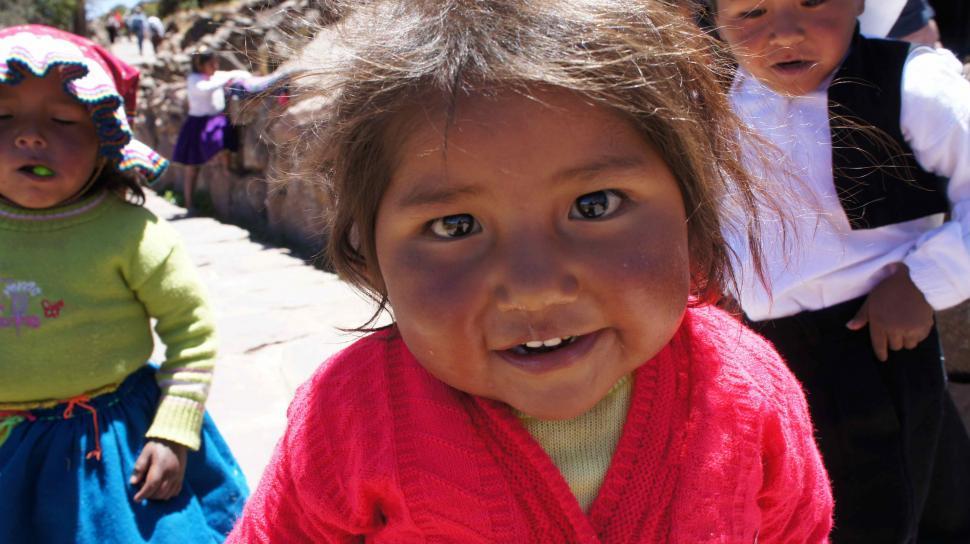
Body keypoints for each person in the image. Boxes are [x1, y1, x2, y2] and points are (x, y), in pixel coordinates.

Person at [227, 1, 833, 541]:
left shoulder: (746, 388)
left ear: (693, 210)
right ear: (370, 251)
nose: (534, 287)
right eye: (455, 226)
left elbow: (798, 528)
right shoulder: (354, 411)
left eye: (594, 205)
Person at [710, 0, 970, 541]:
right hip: (756, 341)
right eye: (752, 12)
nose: (784, 33)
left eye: (811, 2)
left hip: (874, 330)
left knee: (873, 501)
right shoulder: (709, 97)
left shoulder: (911, 87)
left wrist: (924, 281)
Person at [0, 25, 248, 542]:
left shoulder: (129, 235)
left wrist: (174, 432)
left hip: (109, 451)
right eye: (3, 116)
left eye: (63, 118)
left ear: (107, 140)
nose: (29, 136)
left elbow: (192, 332)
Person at [171, 50, 249, 212]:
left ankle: (228, 187)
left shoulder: (215, 76)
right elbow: (204, 88)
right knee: (193, 165)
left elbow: (237, 73)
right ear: (200, 65)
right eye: (211, 64)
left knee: (225, 146)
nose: (215, 67)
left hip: (216, 119)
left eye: (216, 63)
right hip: (198, 124)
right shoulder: (194, 80)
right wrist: (224, 80)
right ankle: (189, 203)